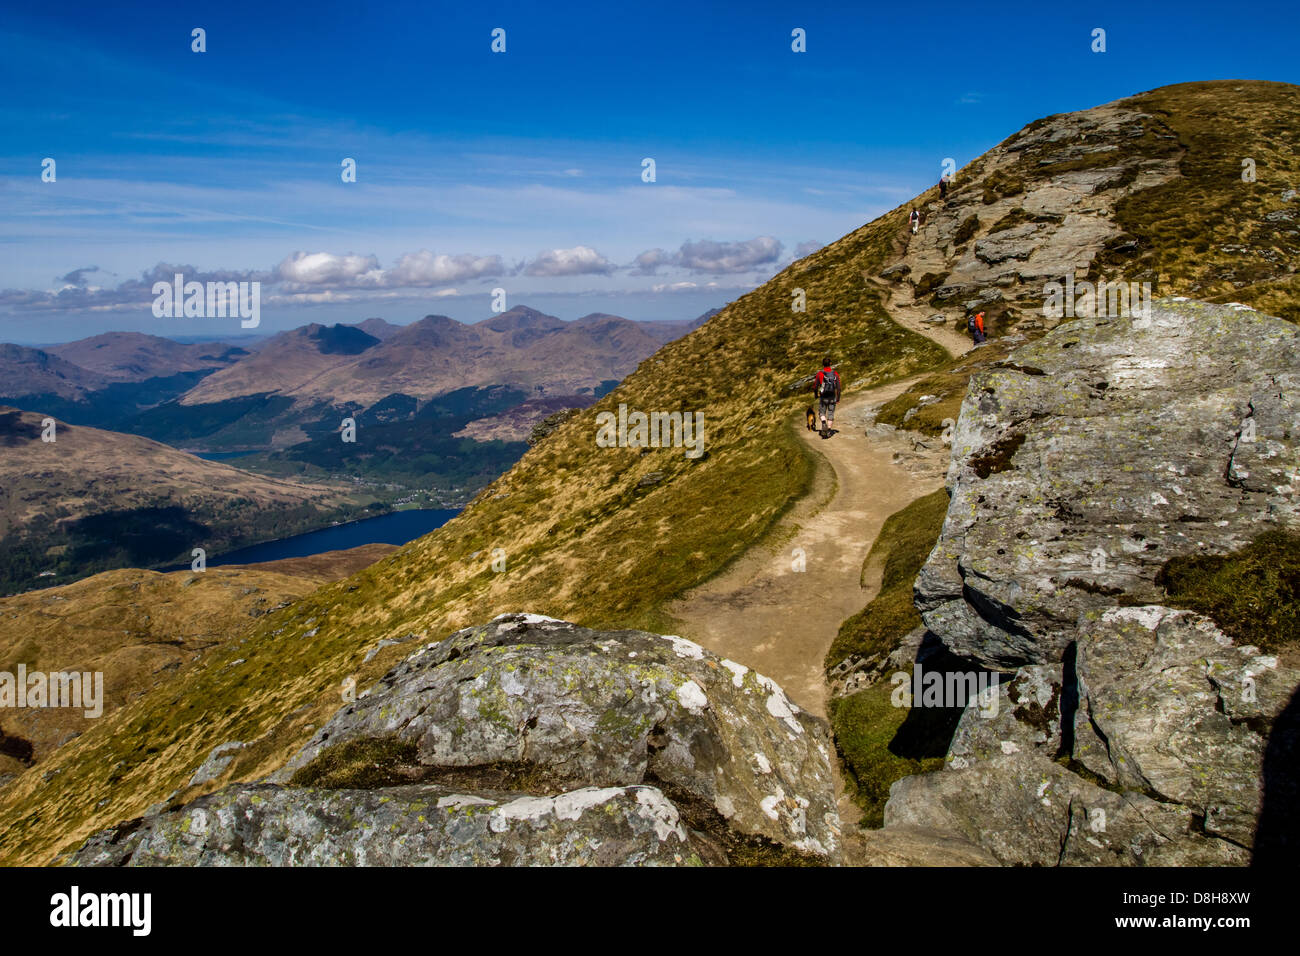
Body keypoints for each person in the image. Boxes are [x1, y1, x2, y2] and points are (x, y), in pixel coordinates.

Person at [813, 357, 841, 438]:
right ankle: (828, 431)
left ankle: (823, 422)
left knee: (822, 412)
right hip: (832, 396)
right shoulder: (835, 373)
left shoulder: (819, 374)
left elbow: (815, 387)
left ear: (823, 364)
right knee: (831, 413)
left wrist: (816, 395)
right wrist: (838, 398)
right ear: (830, 363)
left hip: (823, 397)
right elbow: (838, 388)